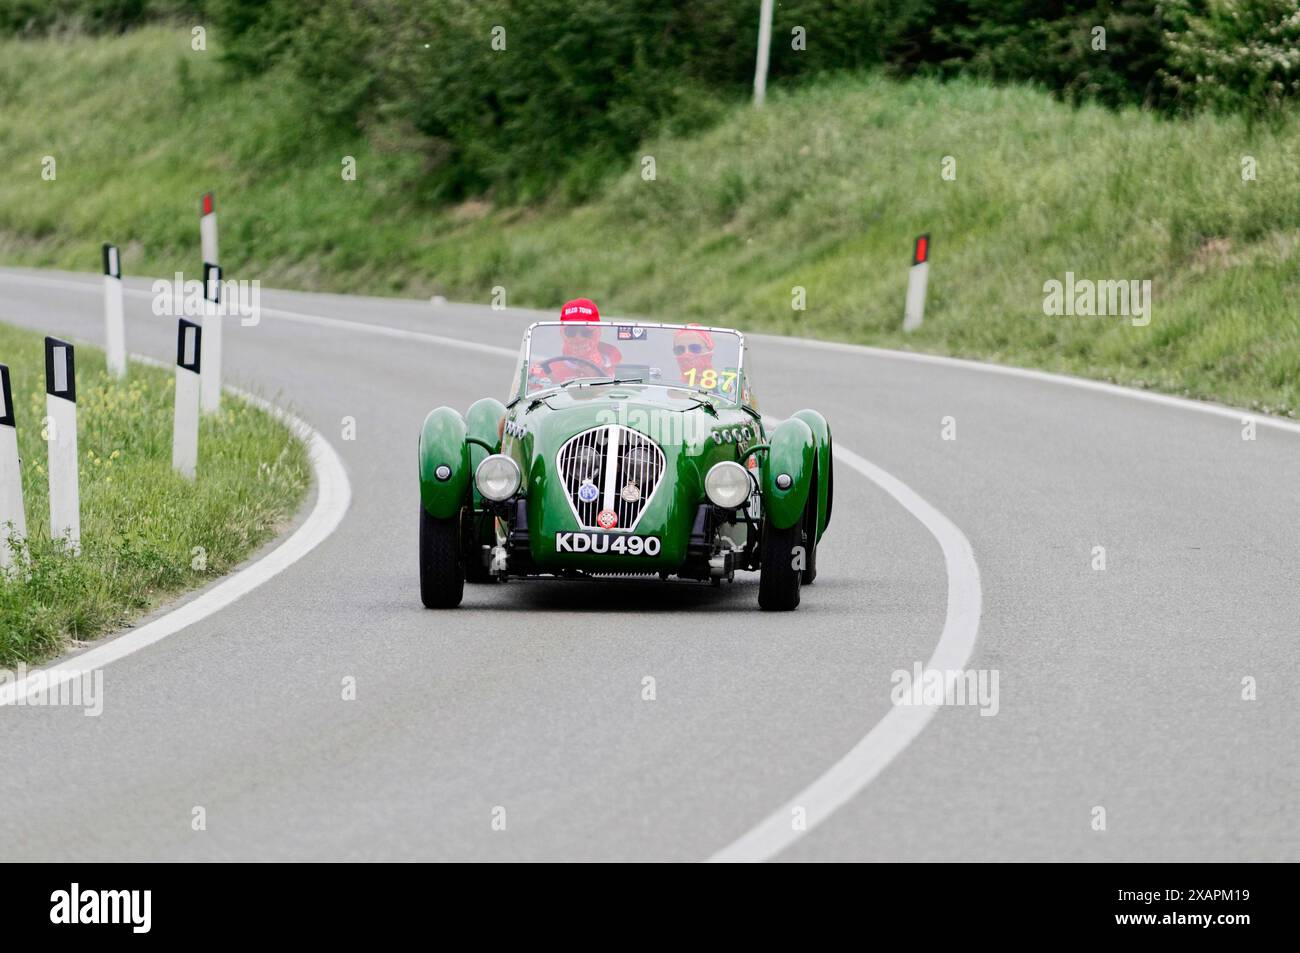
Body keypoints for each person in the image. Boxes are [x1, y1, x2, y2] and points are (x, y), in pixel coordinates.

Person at [529, 298, 621, 387]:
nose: (578, 338)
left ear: (598, 332)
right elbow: (522, 397)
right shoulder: (545, 370)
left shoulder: (616, 366)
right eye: (571, 331)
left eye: (586, 331)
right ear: (562, 332)